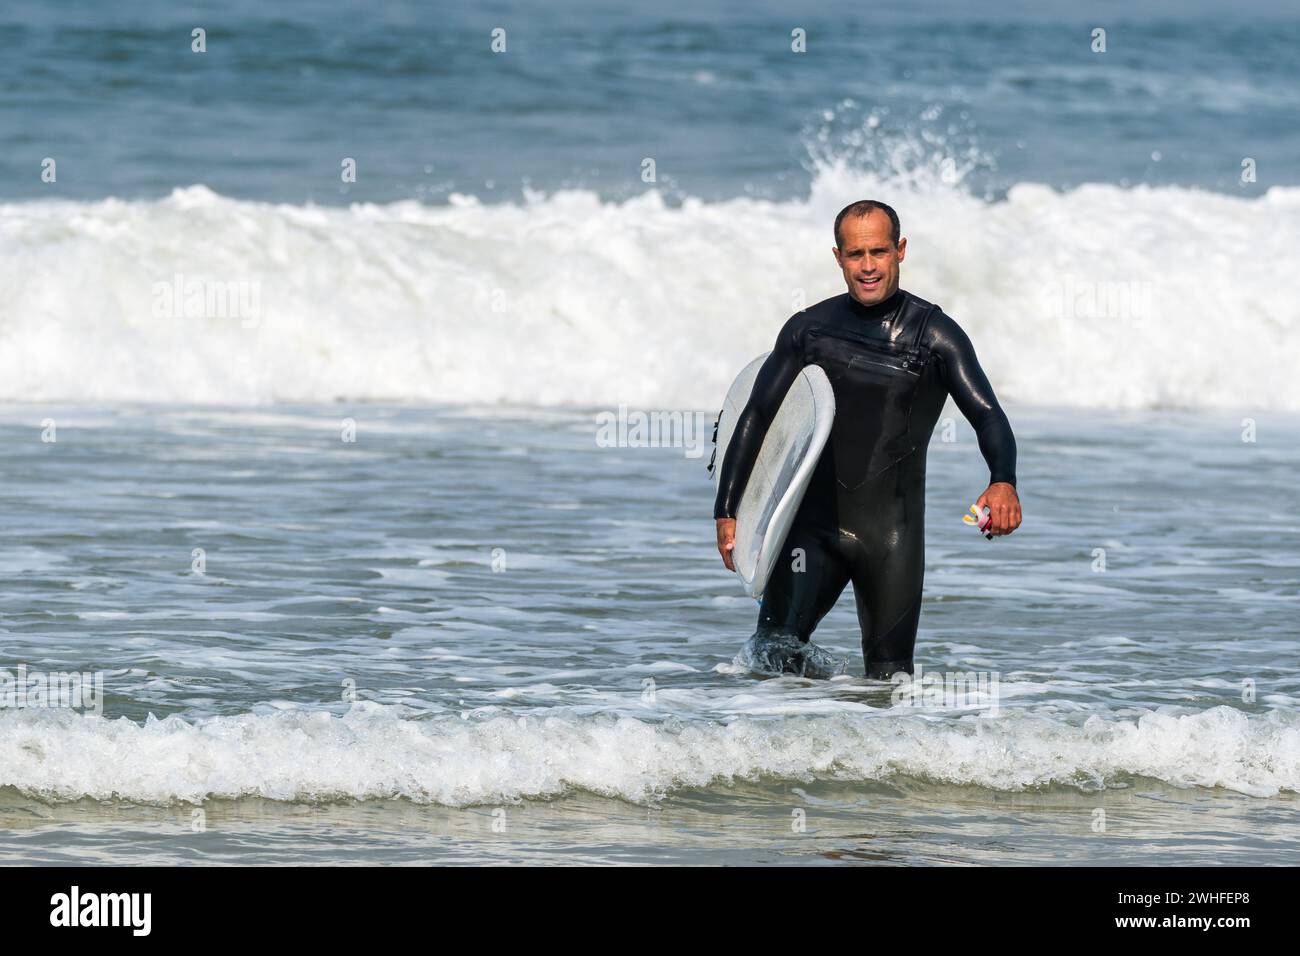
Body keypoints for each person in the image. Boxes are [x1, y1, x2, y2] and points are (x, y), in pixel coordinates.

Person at [713, 200, 1022, 679]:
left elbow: (988, 416)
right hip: (811, 532)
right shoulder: (808, 330)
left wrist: (1002, 481)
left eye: (879, 251)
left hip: (891, 540)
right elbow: (756, 414)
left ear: (900, 250)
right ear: (837, 257)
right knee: (770, 660)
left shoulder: (935, 336)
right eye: (855, 254)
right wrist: (728, 509)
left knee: (890, 684)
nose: (868, 266)